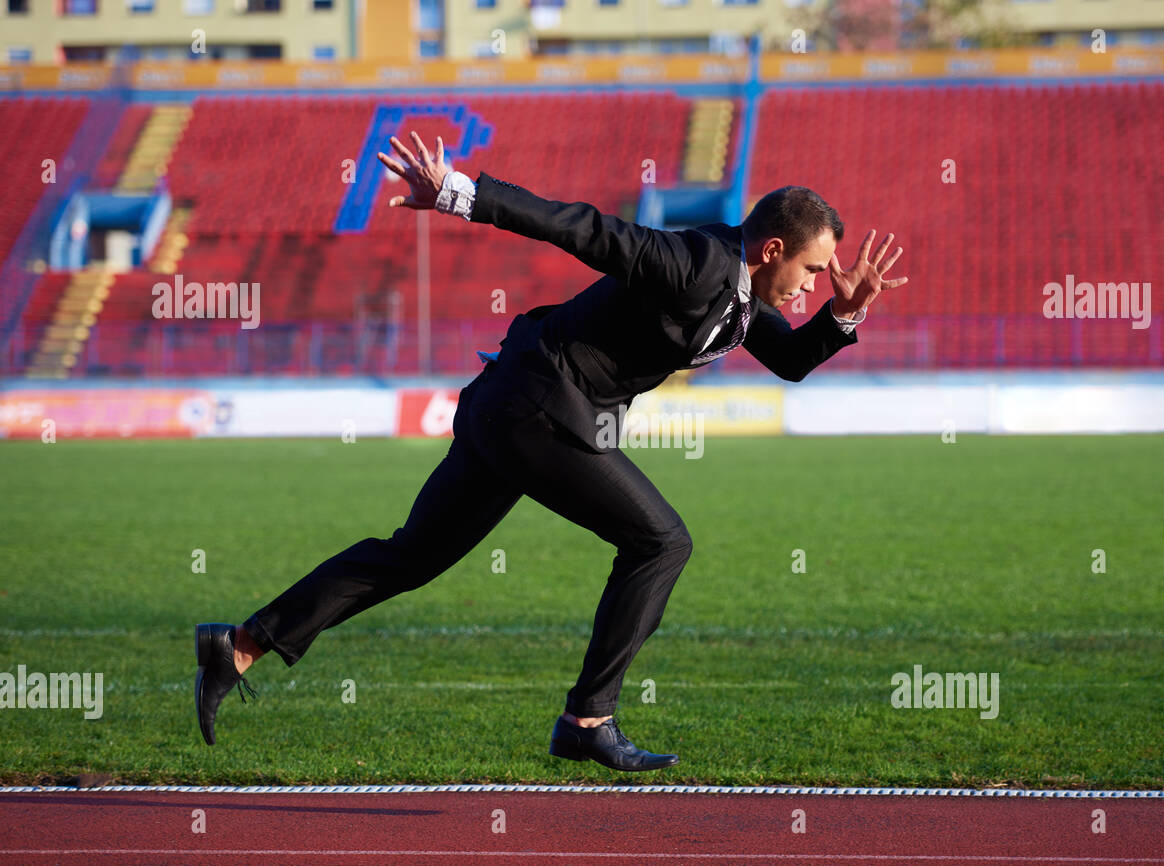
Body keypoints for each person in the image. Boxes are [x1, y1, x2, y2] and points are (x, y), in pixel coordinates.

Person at [195, 131, 907, 771]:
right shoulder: (698, 261)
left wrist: (843, 313)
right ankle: (588, 718)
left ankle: (239, 645)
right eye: (815, 270)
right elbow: (589, 231)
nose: (817, 282)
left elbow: (786, 358)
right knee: (661, 542)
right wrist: (458, 193)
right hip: (540, 407)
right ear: (774, 248)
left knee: (411, 555)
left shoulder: (744, 297)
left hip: (513, 404)